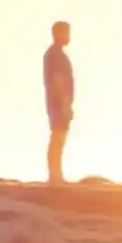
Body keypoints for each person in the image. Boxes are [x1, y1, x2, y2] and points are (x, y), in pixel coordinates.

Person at [43, 20, 75, 185]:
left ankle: (57, 174)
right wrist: (64, 102)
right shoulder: (55, 55)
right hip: (58, 102)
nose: (68, 36)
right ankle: (55, 175)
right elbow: (57, 79)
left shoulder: (57, 55)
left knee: (59, 138)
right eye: (66, 32)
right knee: (57, 137)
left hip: (59, 101)